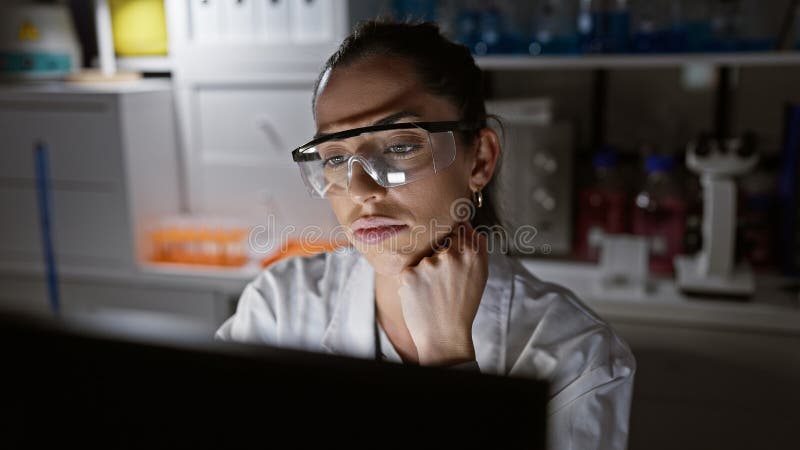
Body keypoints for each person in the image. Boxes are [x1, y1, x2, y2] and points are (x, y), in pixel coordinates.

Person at [215, 19, 635, 450]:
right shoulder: (278, 308)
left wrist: (447, 358)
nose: (360, 189)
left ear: (480, 160)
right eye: (335, 158)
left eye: (399, 146)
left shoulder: (579, 359)